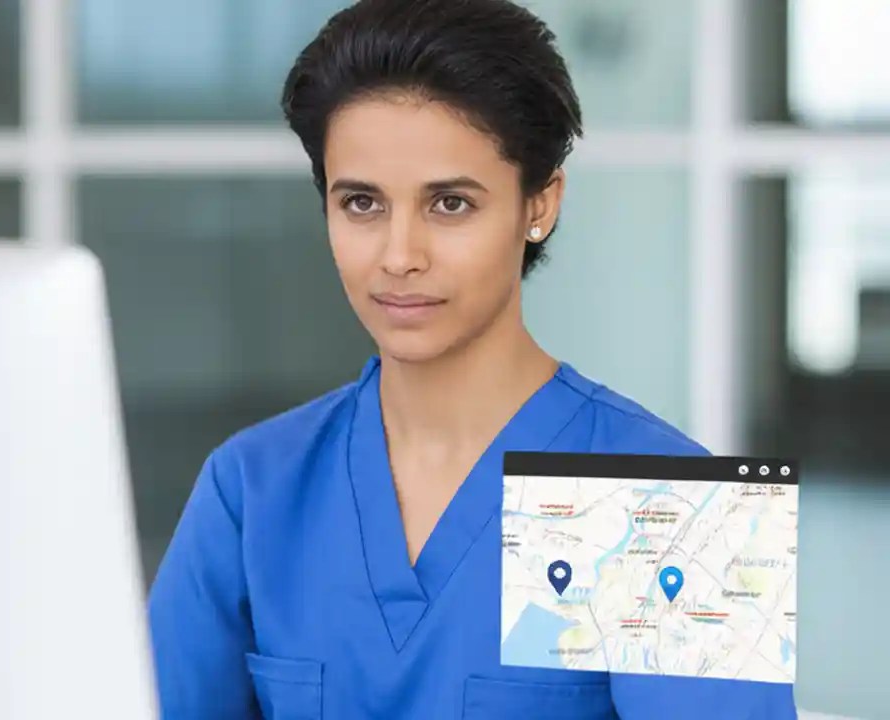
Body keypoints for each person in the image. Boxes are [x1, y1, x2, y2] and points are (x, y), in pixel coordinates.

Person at [147, 0, 798, 717]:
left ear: (538, 204)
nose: (399, 257)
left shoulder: (667, 508)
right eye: (362, 203)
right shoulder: (253, 490)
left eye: (450, 204)